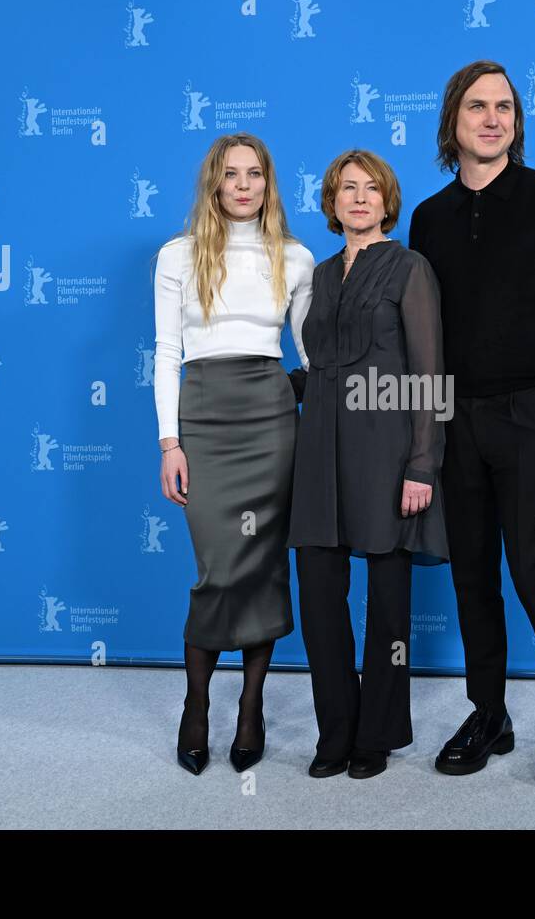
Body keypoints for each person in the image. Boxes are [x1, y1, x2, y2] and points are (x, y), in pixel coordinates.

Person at [407, 60, 535, 787]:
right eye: (479, 107)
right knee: (471, 575)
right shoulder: (429, 218)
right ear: (452, 122)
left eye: (507, 108)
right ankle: (489, 712)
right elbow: (418, 332)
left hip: (529, 413)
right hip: (454, 418)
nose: (494, 118)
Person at [152, 132, 314, 775]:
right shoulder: (177, 255)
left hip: (271, 419)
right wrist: (170, 441)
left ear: (269, 184)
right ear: (213, 185)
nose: (243, 185)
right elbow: (167, 353)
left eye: (255, 175)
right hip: (205, 414)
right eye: (230, 175)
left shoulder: (295, 258)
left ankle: (251, 706)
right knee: (219, 567)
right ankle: (197, 705)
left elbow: (313, 353)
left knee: (262, 565)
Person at [288, 149, 449, 780]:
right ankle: (336, 731)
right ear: (331, 202)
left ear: (387, 200)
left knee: (388, 602)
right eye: (347, 188)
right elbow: (317, 366)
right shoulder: (321, 276)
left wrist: (422, 464)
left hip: (388, 455)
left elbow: (430, 376)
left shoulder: (410, 269)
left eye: (371, 188)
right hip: (319, 453)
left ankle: (376, 734)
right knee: (320, 598)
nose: (359, 198)